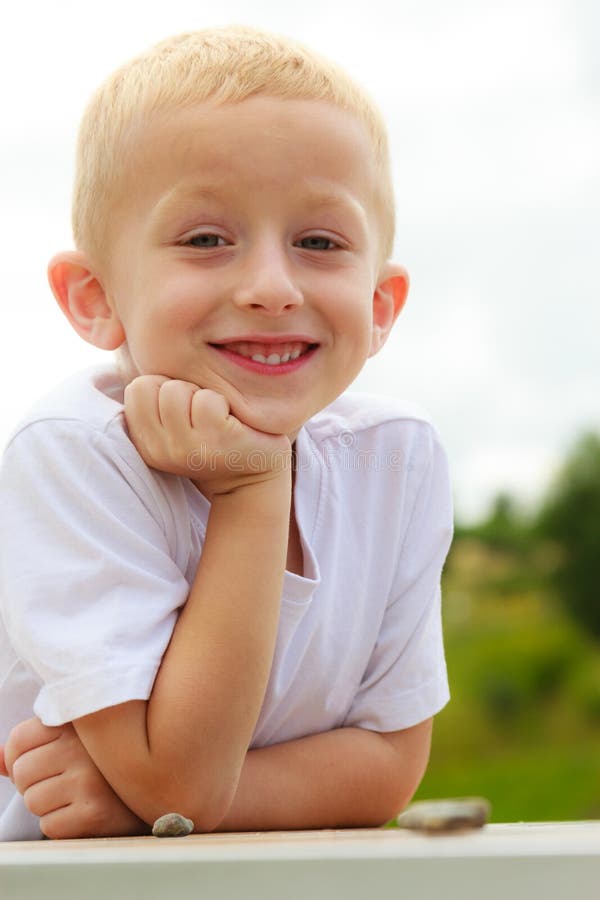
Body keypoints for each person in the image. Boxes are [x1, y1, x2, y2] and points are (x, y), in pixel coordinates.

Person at [0, 26, 453, 841]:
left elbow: (389, 762)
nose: (272, 287)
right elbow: (181, 783)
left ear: (380, 306)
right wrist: (252, 489)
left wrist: (142, 805)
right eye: (206, 240)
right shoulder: (71, 455)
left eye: (319, 242)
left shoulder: (397, 460)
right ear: (94, 297)